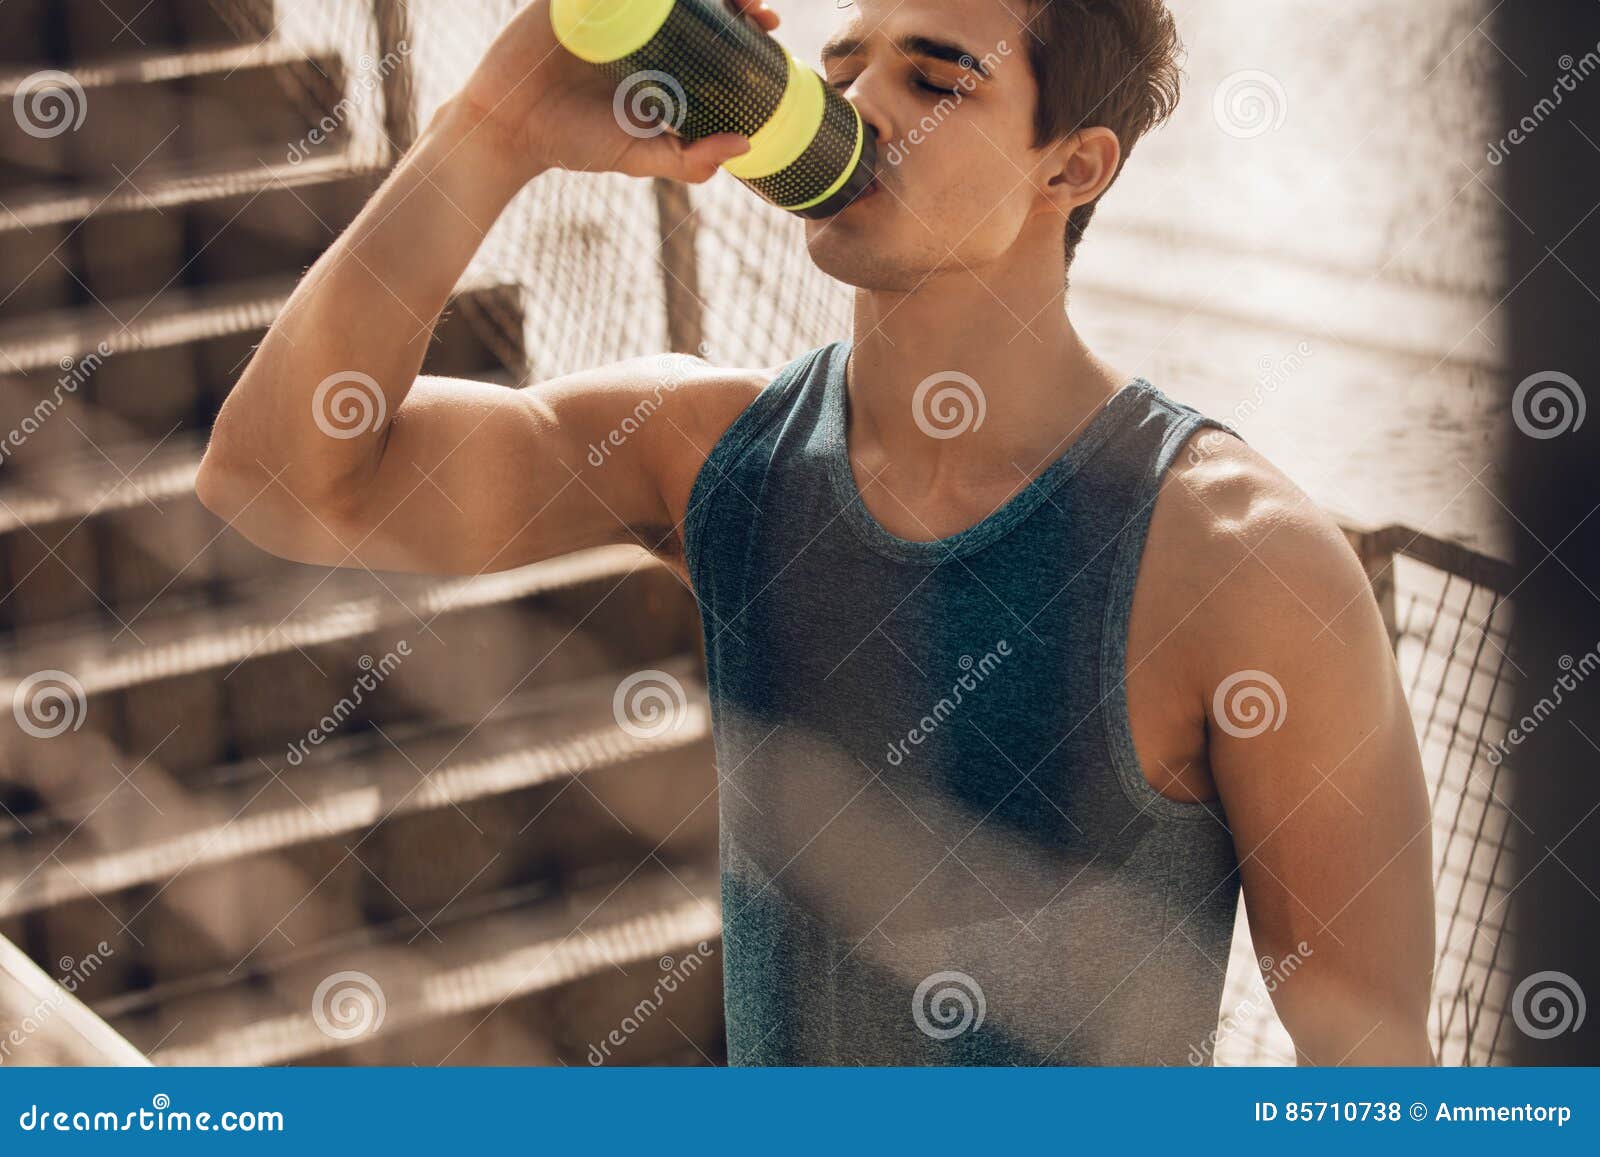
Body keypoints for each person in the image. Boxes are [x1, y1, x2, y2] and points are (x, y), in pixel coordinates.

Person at [196, 0, 1436, 1065]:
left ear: (1074, 166)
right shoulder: (708, 451)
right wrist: (500, 122)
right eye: (842, 66)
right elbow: (280, 481)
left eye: (936, 79)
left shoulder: (1243, 560)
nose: (862, 106)